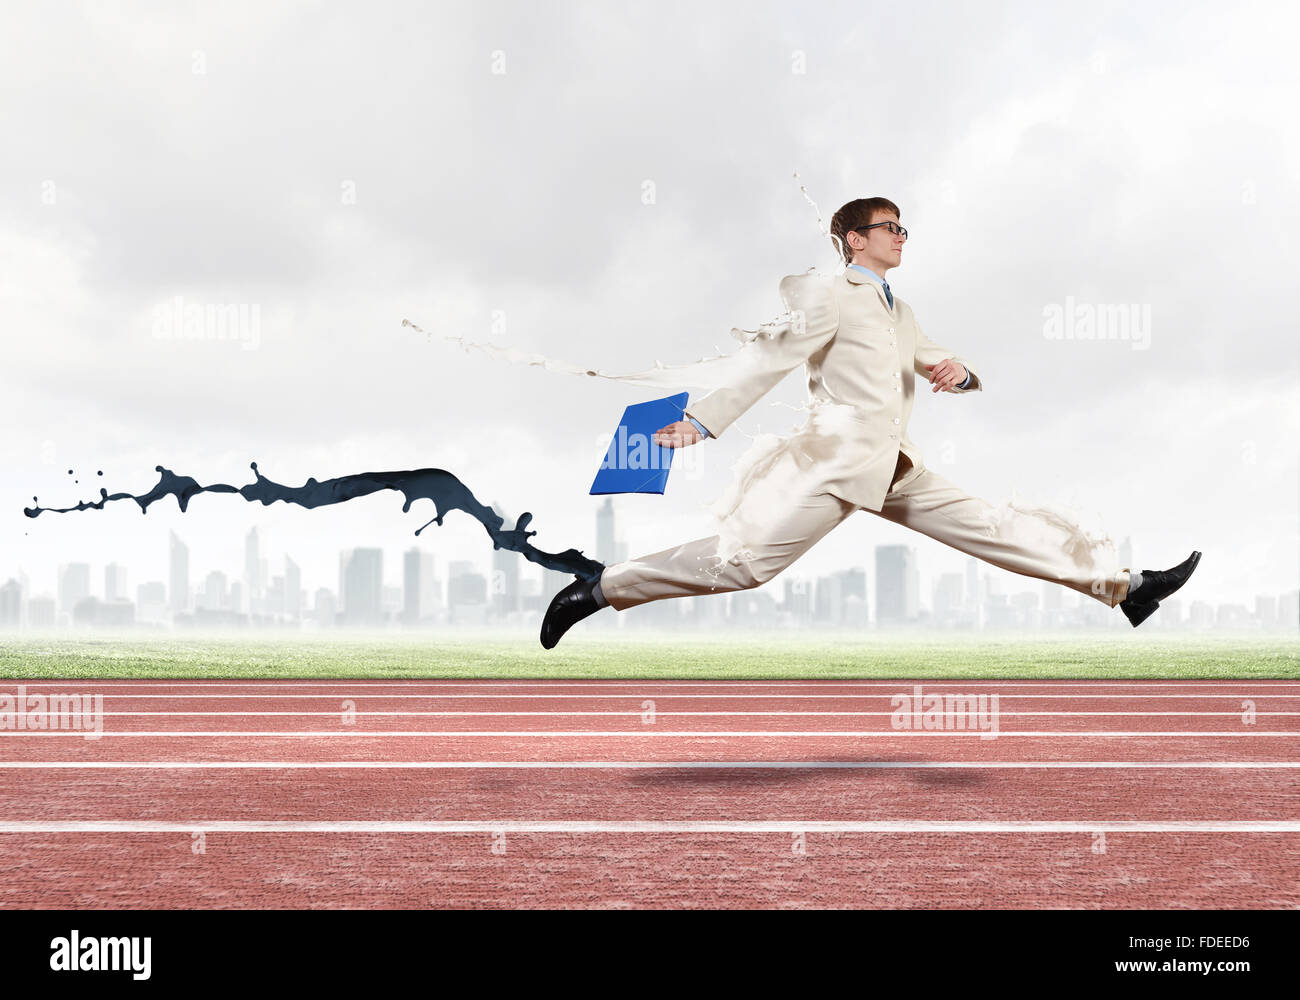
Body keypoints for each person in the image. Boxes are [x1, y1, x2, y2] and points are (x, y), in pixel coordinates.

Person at [540, 197, 1199, 648]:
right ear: (855, 238)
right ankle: (601, 588)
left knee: (994, 529)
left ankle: (1125, 590)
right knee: (745, 568)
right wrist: (703, 422)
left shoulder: (899, 310)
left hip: (894, 466)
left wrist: (960, 375)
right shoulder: (829, 296)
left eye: (904, 228)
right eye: (889, 226)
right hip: (834, 464)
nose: (900, 236)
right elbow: (771, 356)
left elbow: (941, 359)